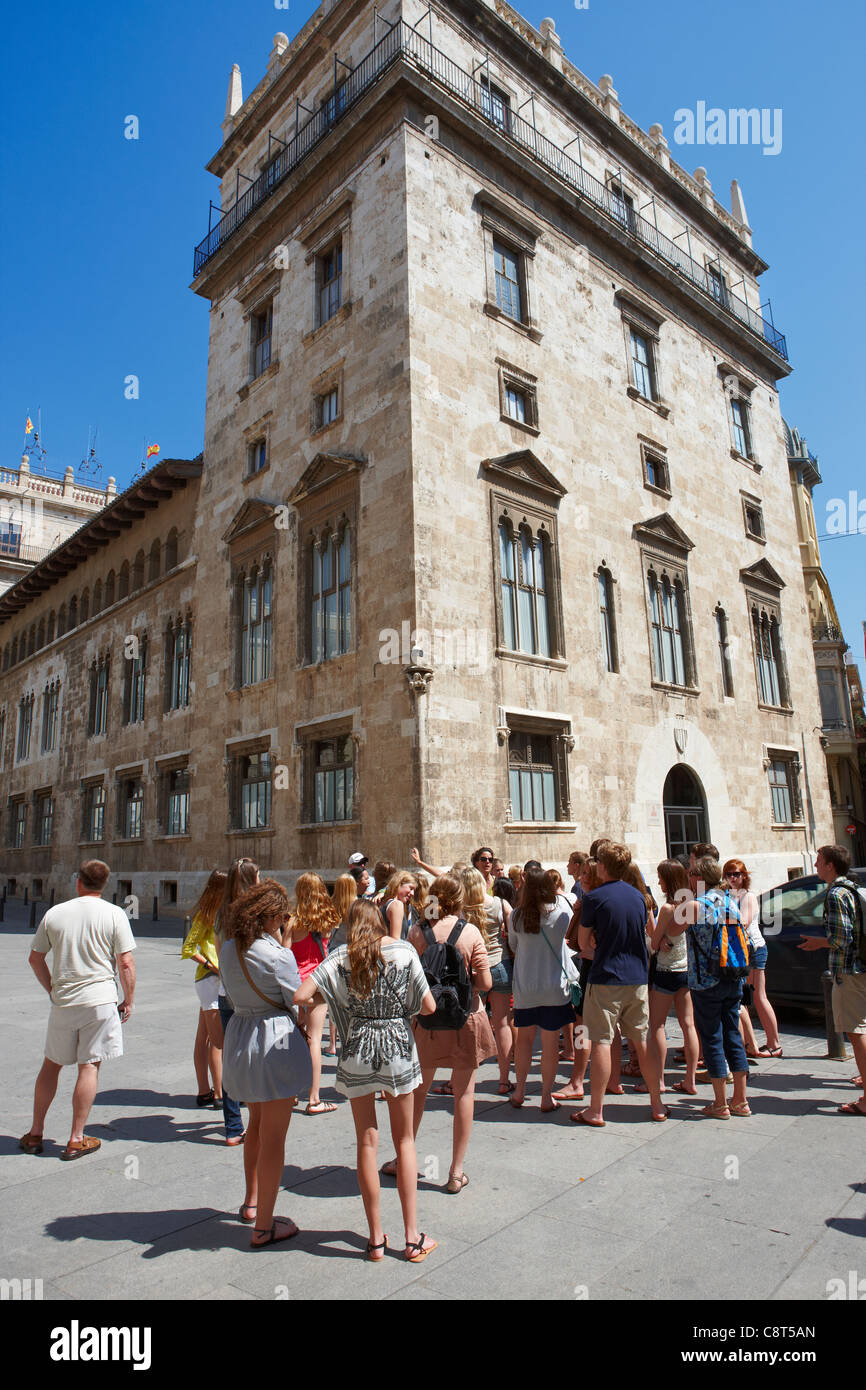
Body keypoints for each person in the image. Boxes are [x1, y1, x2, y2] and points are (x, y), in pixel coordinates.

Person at [295, 899, 438, 1262]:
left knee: (366, 1140)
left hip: (358, 1045)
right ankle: (411, 1237)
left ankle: (375, 1238)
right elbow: (429, 1006)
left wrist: (340, 1004)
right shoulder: (404, 951)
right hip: (396, 1045)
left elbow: (301, 994)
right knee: (404, 1140)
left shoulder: (342, 956)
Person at [382, 875, 493, 1193]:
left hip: (427, 1021)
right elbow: (485, 983)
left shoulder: (419, 931)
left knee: (418, 1092)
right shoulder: (470, 932)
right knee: (464, 1093)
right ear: (459, 900)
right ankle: (456, 1172)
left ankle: (404, 1159)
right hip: (465, 1018)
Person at [20, 860, 136, 1160]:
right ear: (104, 884)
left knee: (51, 1065)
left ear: (78, 882)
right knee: (89, 1066)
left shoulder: (55, 913)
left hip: (65, 1001)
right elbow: (125, 962)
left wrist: (51, 989)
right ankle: (75, 1138)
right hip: (100, 1001)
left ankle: (35, 1133)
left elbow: (35, 958)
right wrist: (128, 999)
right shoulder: (115, 914)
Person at [219, 879, 312, 1247]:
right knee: (274, 1136)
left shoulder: (228, 948)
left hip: (241, 1034)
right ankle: (265, 1226)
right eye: (283, 915)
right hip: (272, 1039)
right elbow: (297, 998)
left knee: (255, 1124)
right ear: (272, 916)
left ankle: (252, 1202)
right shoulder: (277, 954)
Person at [573, 843, 666, 1126]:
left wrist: (595, 946)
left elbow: (581, 940)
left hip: (605, 977)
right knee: (640, 1041)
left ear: (602, 865)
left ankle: (596, 1109)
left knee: (601, 1041)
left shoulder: (595, 898)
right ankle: (657, 1104)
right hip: (637, 976)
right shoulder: (639, 897)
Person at [666, 856, 750, 1119]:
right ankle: (741, 1100)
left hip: (706, 981)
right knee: (733, 1036)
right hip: (732, 976)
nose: (689, 879)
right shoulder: (730, 902)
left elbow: (672, 930)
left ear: (699, 878)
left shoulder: (696, 905)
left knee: (712, 1038)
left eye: (692, 874)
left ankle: (720, 1102)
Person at [799, 844, 866, 1117]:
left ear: (830, 865)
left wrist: (818, 942)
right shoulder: (852, 888)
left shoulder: (836, 894)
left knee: (856, 1031)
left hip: (848, 970)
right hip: (860, 966)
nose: (815, 865)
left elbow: (842, 938)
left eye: (818, 860)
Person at [508, 868, 575, 1111]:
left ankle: (520, 1090)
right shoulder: (561, 912)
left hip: (526, 986)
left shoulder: (516, 916)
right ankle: (547, 1096)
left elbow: (513, 945)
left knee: (524, 1041)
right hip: (554, 987)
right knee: (549, 1044)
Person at [214, 857, 259, 1145]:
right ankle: (258, 1122)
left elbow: (221, 957)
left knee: (232, 1056)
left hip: (226, 992)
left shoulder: (221, 914)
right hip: (252, 995)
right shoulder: (255, 913)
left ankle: (233, 1127)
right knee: (255, 1056)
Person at [286, 873, 340, 1115]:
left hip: (295, 984)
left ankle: (291, 1093)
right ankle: (314, 1097)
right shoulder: (328, 920)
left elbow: (284, 954)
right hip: (318, 983)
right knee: (315, 1038)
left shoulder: (293, 922)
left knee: (295, 1037)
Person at [648, 859, 700, 1095]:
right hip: (685, 971)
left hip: (665, 971)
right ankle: (690, 1079)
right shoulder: (691, 906)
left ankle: (658, 1080)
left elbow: (655, 943)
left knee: (657, 1025)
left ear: (668, 879)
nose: (658, 881)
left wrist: (658, 938)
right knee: (688, 1024)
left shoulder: (668, 909)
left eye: (660, 877)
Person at [724, 858, 782, 1058]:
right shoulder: (729, 896)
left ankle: (774, 1043)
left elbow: (744, 923)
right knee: (744, 998)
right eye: (728, 874)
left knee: (758, 997)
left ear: (744, 876)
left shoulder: (747, 897)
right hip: (741, 951)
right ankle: (750, 1043)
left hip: (754, 949)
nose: (732, 878)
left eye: (736, 874)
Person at [554, 858, 600, 1102]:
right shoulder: (633, 896)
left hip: (593, 969)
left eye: (585, 873)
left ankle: (577, 1080)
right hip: (623, 973)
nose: (581, 877)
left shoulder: (590, 902)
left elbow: (580, 943)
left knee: (584, 1026)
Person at [182, 870, 228, 1109]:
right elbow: (188, 948)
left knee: (204, 1037)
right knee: (217, 1041)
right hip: (211, 980)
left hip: (214, 980)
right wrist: (211, 965)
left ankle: (203, 1091)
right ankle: (220, 1094)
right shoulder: (206, 916)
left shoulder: (219, 913)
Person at [381, 871, 420, 941]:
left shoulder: (385, 903)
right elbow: (395, 940)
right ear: (399, 884)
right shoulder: (396, 905)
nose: (412, 894)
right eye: (410, 888)